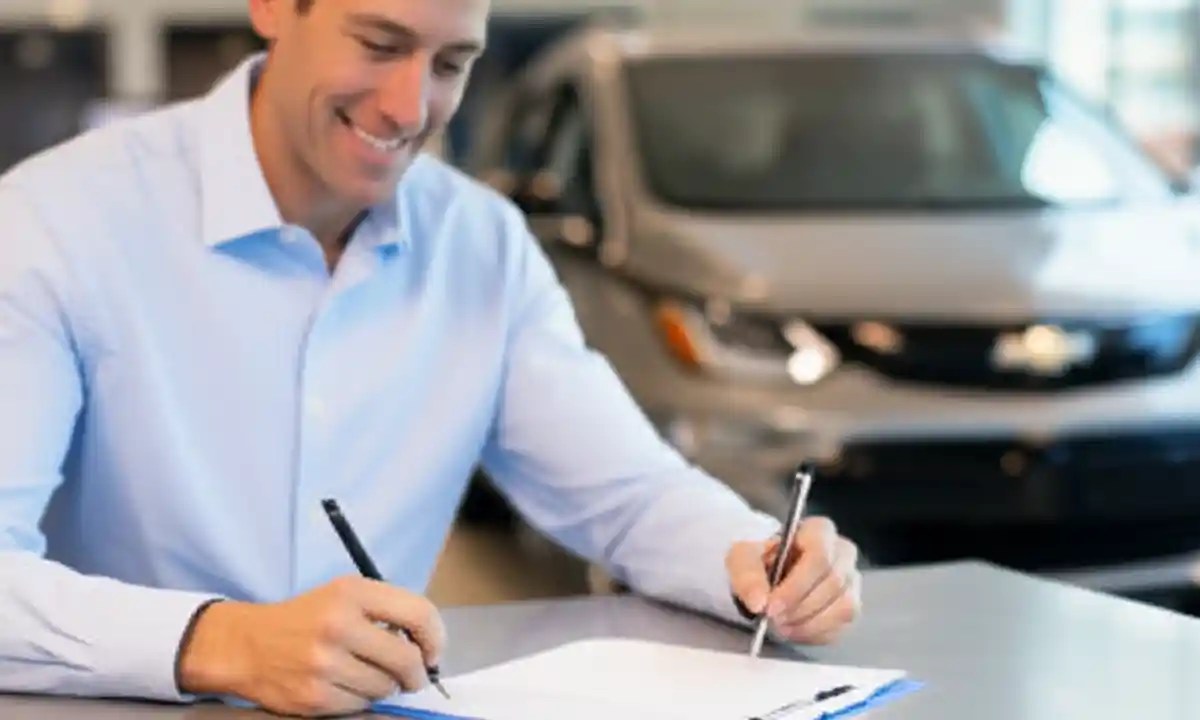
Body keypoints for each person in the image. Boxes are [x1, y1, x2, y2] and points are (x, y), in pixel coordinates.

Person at [0, 0, 863, 715]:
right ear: (271, 8)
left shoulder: (481, 244)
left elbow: (628, 497)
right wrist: (220, 639)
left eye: (451, 64)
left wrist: (755, 557)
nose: (410, 108)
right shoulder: (55, 222)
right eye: (380, 45)